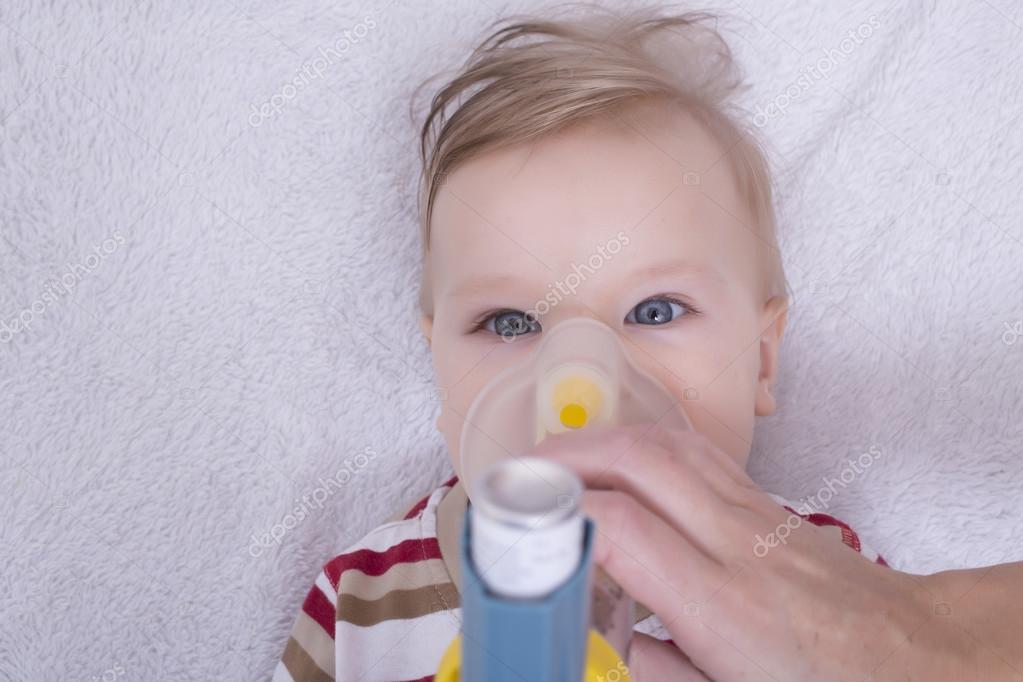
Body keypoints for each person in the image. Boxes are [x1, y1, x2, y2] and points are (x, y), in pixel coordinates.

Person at [274, 5, 1022, 680]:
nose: (578, 384)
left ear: (761, 359)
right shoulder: (363, 598)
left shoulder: (821, 582)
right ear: (438, 369)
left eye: (656, 310)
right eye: (510, 324)